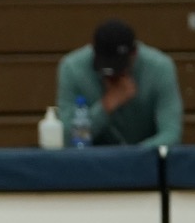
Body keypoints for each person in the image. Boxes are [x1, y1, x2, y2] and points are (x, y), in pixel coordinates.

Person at [54, 18, 182, 146]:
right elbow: (69, 139)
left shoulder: (160, 68)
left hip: (145, 160)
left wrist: (133, 157)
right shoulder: (72, 69)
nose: (112, 75)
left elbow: (171, 134)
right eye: (104, 69)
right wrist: (106, 106)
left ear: (134, 54)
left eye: (118, 68)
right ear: (93, 52)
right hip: (92, 160)